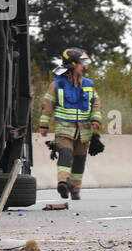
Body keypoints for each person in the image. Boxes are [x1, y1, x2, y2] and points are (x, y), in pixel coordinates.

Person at [38, 48, 101, 200]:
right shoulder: (57, 84)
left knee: (79, 159)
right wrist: (44, 125)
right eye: (80, 63)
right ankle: (63, 182)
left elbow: (96, 103)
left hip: (84, 131)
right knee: (65, 153)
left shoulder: (88, 84)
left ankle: (75, 189)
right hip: (64, 129)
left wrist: (96, 120)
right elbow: (48, 105)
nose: (83, 66)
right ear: (72, 64)